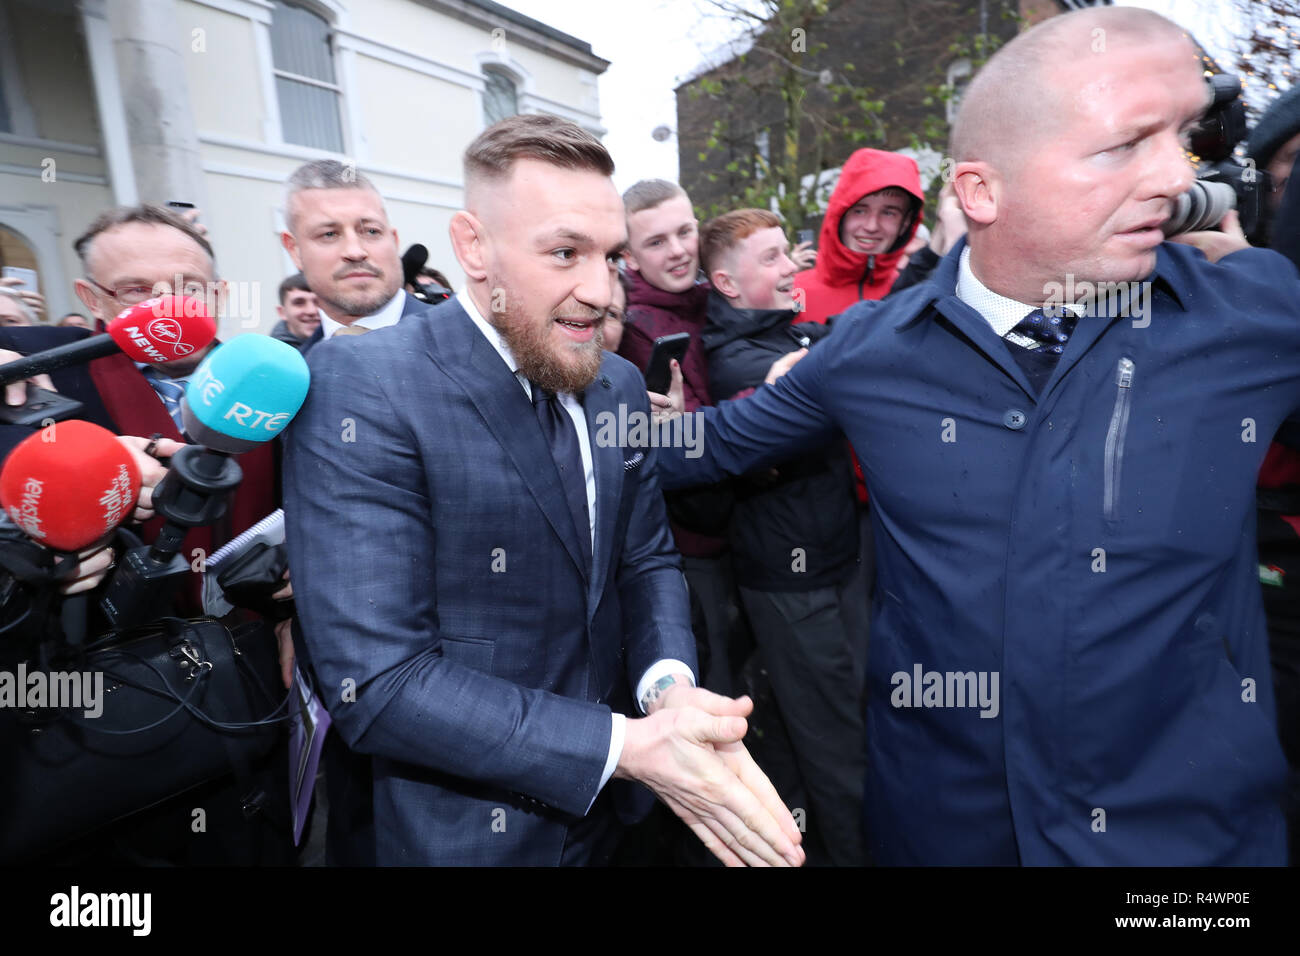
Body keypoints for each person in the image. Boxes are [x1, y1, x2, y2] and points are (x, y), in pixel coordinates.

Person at [655, 5, 1294, 865]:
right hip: (946, 828)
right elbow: (708, 449)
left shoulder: (1251, 313)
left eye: (1180, 139)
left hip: (1187, 854)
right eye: (1122, 147)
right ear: (981, 191)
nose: (1173, 178)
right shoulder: (869, 354)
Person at [282, 114, 803, 867]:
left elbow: (647, 558)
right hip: (463, 833)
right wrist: (627, 744)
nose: (599, 289)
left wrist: (668, 688)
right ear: (473, 248)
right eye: (564, 252)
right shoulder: (363, 388)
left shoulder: (618, 384)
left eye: (611, 255)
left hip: (621, 825)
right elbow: (382, 684)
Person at [698, 208, 864, 865]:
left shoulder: (780, 333)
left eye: (786, 254)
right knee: (836, 746)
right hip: (790, 585)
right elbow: (818, 369)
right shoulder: (739, 361)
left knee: (822, 734)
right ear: (728, 284)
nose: (790, 267)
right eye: (769, 259)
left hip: (830, 566)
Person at [281, 161, 434, 354]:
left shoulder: (466, 340)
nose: (355, 252)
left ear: (394, 241)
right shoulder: (298, 376)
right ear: (294, 250)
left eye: (371, 231)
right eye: (329, 234)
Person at [792, 147, 924, 326]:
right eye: (859, 211)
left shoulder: (916, 296)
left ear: (906, 223)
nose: (871, 226)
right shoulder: (793, 293)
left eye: (889, 213)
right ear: (839, 214)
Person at [270, 272, 321, 346]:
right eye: (299, 303)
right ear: (282, 312)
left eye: (318, 302)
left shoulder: (341, 342)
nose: (311, 311)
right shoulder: (270, 355)